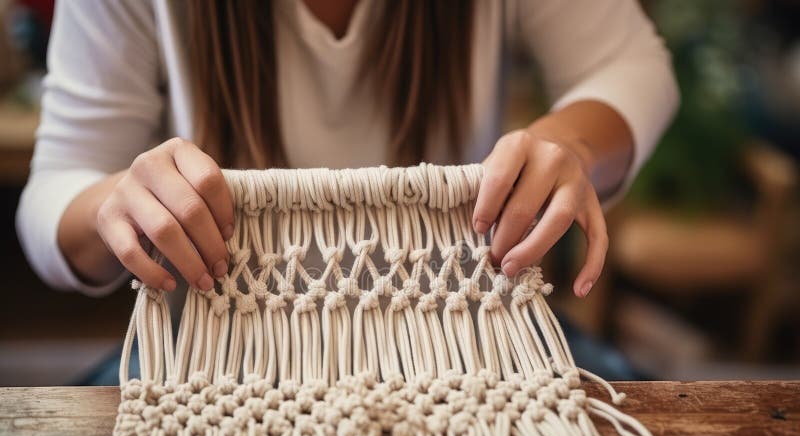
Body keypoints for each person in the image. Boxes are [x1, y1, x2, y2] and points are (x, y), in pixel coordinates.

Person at [16, 0, 678, 383]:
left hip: (466, 333)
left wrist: (573, 145)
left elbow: (629, 65)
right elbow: (57, 189)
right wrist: (117, 204)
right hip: (217, 350)